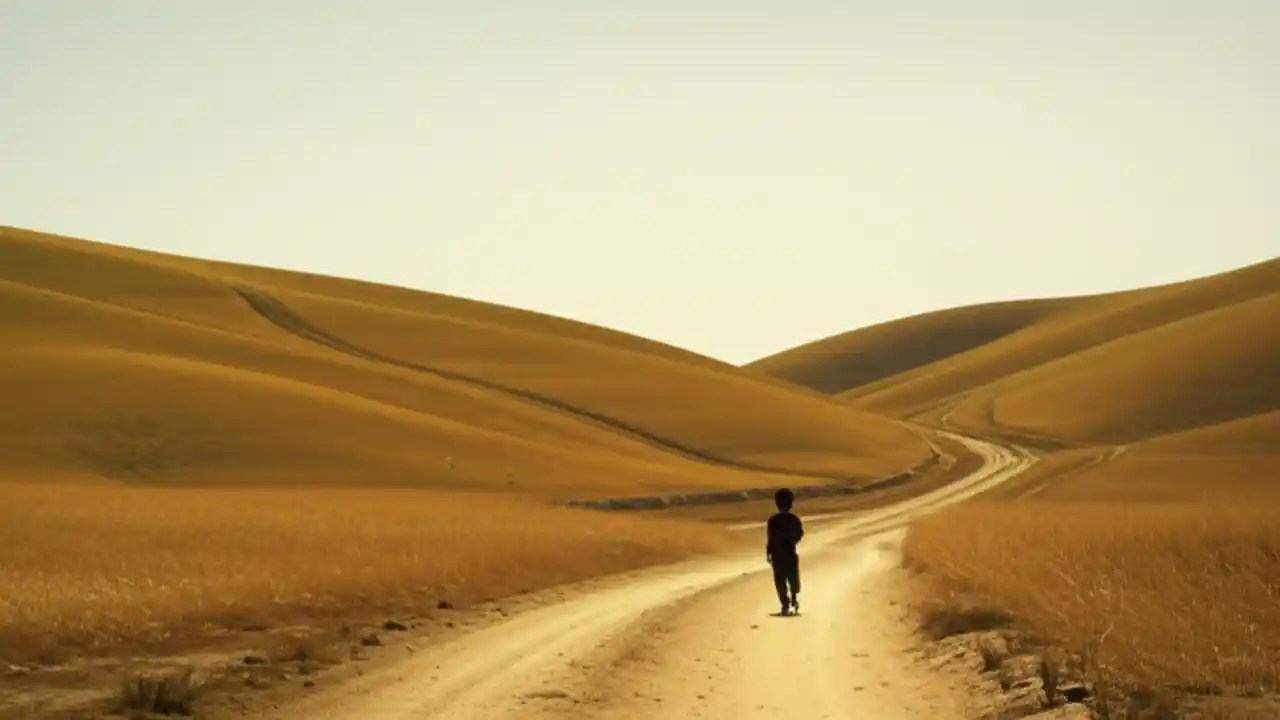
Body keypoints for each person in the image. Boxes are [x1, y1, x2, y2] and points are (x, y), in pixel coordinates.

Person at [766, 488, 804, 616]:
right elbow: (799, 534)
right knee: (791, 578)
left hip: (779, 555)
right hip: (788, 554)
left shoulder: (773, 521)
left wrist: (769, 552)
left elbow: (770, 539)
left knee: (780, 581)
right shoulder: (794, 519)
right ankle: (791, 600)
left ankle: (786, 603)